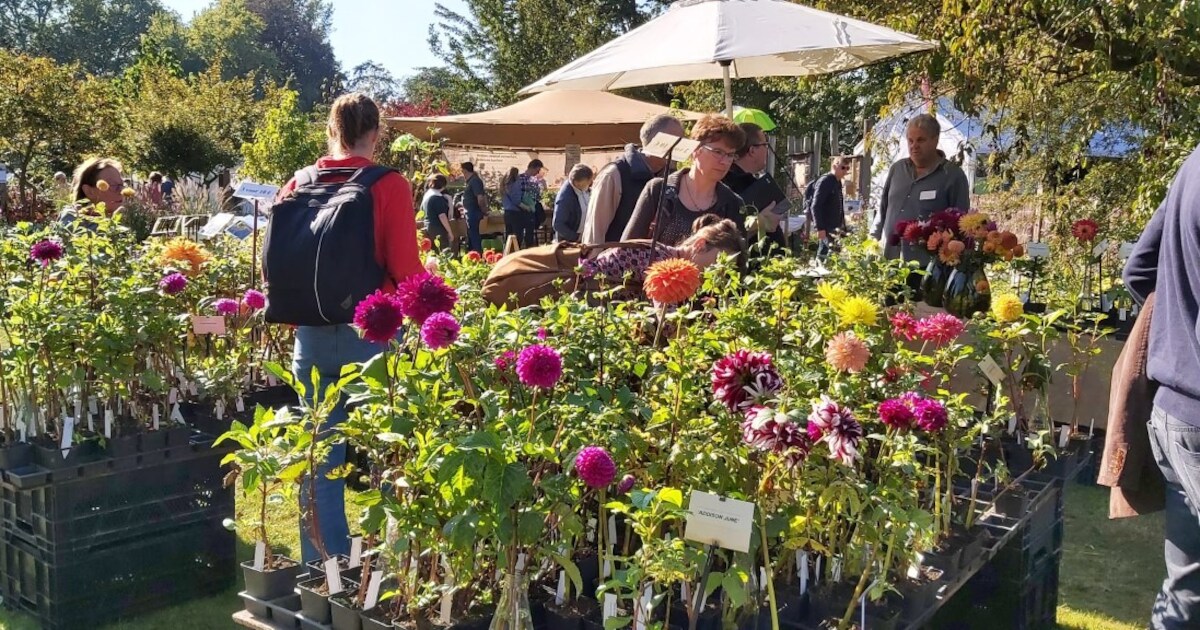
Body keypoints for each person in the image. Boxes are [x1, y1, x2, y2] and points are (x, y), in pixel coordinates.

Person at [279, 92, 424, 567]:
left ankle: (325, 570)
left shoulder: (298, 183)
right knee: (389, 449)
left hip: (311, 332)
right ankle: (393, 567)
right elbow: (405, 268)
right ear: (376, 134)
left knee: (320, 453)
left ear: (330, 130)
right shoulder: (387, 184)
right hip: (373, 336)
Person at [1124, 143, 1200, 630]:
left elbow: (1138, 270)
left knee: (1187, 589)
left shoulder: (1194, 161)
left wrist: (1177, 333)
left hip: (1173, 411)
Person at [622, 114, 747, 246]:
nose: (725, 161)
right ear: (696, 150)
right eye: (718, 152)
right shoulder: (659, 190)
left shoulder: (732, 203)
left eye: (730, 155)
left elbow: (739, 261)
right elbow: (626, 250)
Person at [869, 113, 970, 263]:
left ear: (935, 140)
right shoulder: (897, 169)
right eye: (910, 140)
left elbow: (962, 223)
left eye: (920, 140)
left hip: (928, 266)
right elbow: (883, 208)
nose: (914, 146)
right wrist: (872, 240)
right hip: (889, 261)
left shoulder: (952, 175)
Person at [581, 114, 685, 244]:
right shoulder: (616, 174)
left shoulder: (672, 180)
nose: (678, 147)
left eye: (681, 141)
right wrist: (593, 262)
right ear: (654, 140)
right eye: (674, 140)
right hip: (613, 261)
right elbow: (595, 232)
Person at [586, 214, 746, 289]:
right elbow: (667, 321)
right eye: (720, 262)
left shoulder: (663, 253)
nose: (719, 273)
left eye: (726, 271)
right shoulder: (663, 263)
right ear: (700, 245)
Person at [723, 122, 786, 250]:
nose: (767, 151)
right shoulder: (729, 185)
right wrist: (761, 223)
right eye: (765, 145)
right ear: (752, 150)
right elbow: (726, 238)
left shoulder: (748, 181)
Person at [811, 155, 853, 261]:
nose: (845, 171)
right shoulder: (825, 181)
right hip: (826, 227)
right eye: (843, 167)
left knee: (833, 259)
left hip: (836, 228)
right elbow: (815, 205)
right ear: (834, 166)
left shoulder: (837, 182)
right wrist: (819, 228)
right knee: (824, 257)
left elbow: (838, 205)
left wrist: (843, 226)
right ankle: (817, 277)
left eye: (848, 168)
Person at [553, 164, 594, 242]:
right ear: (577, 183)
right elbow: (558, 224)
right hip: (570, 243)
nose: (590, 183)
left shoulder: (583, 189)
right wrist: (576, 237)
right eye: (588, 181)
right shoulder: (565, 197)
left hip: (585, 238)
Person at [460, 162, 488, 253]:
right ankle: (472, 254)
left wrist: (484, 210)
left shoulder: (475, 181)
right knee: (471, 236)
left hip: (474, 212)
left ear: (464, 170)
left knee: (474, 236)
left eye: (462, 171)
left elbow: (480, 198)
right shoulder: (470, 182)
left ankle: (477, 255)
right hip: (469, 212)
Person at [422, 174, 454, 252]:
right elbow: (443, 216)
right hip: (438, 228)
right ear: (443, 186)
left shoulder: (427, 195)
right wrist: (450, 232)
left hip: (428, 227)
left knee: (433, 252)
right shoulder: (437, 198)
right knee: (443, 251)